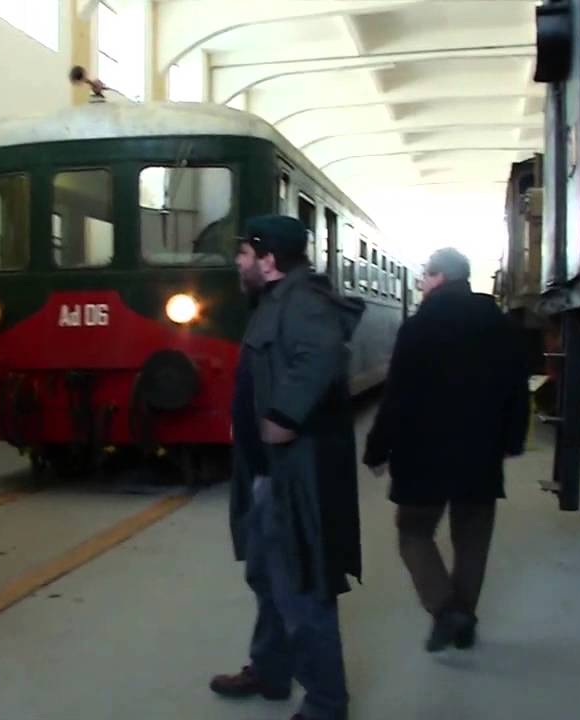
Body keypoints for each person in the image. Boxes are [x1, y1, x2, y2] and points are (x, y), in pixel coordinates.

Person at [210, 216, 365, 720]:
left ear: (269, 259)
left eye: (244, 253)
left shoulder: (303, 301)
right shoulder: (276, 300)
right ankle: (271, 670)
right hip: (266, 472)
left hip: (294, 475)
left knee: (300, 586)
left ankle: (326, 703)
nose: (238, 262)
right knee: (266, 577)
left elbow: (321, 354)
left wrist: (284, 415)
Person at [362, 247, 529, 652]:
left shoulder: (418, 327)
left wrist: (377, 449)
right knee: (472, 540)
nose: (421, 283)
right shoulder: (501, 324)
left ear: (439, 277)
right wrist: (513, 439)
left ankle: (445, 609)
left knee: (414, 532)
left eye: (425, 276)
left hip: (423, 456)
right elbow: (517, 388)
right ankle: (464, 618)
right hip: (480, 453)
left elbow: (397, 396)